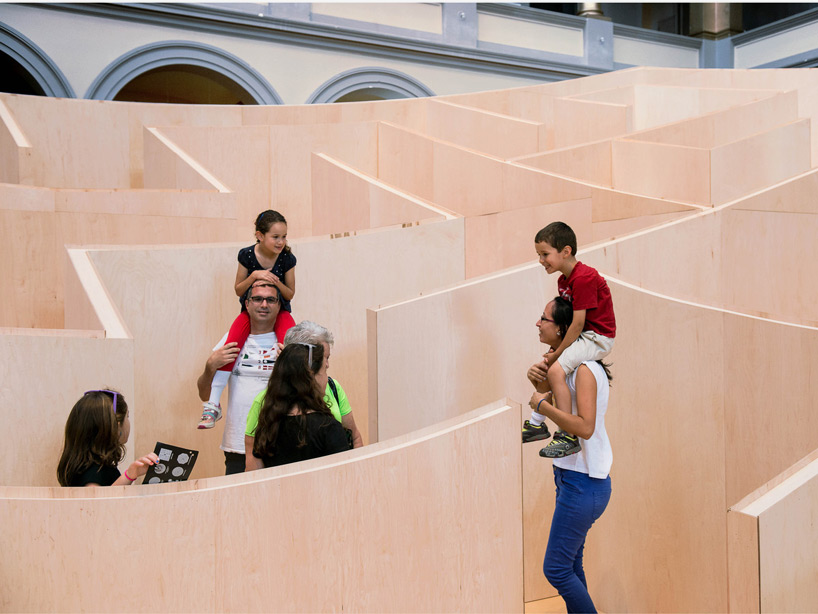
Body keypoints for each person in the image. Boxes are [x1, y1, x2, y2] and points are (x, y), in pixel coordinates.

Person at [528, 296, 613, 614]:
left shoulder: (587, 371)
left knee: (557, 569)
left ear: (563, 328)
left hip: (585, 482)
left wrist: (541, 407)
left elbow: (585, 428)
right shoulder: (567, 368)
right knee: (571, 565)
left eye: (544, 318)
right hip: (570, 477)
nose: (538, 323)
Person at [523, 221, 616, 458]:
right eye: (539, 255)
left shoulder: (583, 278)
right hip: (584, 334)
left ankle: (566, 435)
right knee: (548, 368)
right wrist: (553, 356)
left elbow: (576, 324)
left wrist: (558, 353)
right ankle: (536, 424)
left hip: (596, 337)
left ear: (566, 251)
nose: (541, 260)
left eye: (545, 254)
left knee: (555, 370)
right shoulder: (564, 281)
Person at [198, 210, 297, 428]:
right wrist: (254, 276)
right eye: (276, 237)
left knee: (292, 349)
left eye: (284, 237)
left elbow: (289, 294)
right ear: (259, 235)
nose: (281, 242)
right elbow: (238, 289)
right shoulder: (247, 255)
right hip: (245, 314)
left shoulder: (287, 259)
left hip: (282, 313)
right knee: (230, 349)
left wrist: (274, 281)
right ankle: (213, 405)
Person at [196, 281, 281, 474]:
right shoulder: (231, 339)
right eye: (258, 299)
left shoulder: (288, 341)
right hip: (237, 444)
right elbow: (204, 394)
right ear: (248, 304)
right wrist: (210, 367)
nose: (264, 305)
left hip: (280, 442)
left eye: (270, 300)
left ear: (279, 305)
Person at [244, 343, 349, 470]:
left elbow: (255, 477)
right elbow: (344, 478)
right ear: (311, 377)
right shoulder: (329, 428)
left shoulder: (268, 426)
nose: (327, 379)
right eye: (324, 371)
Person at [281, 321, 363, 448]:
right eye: (325, 358)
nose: (327, 365)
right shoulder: (268, 398)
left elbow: (355, 437)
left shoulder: (333, 387)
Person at [57, 389, 159, 487]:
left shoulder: (82, 469)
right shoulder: (94, 474)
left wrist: (131, 474)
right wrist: (129, 475)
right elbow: (96, 503)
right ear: (116, 426)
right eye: (127, 416)